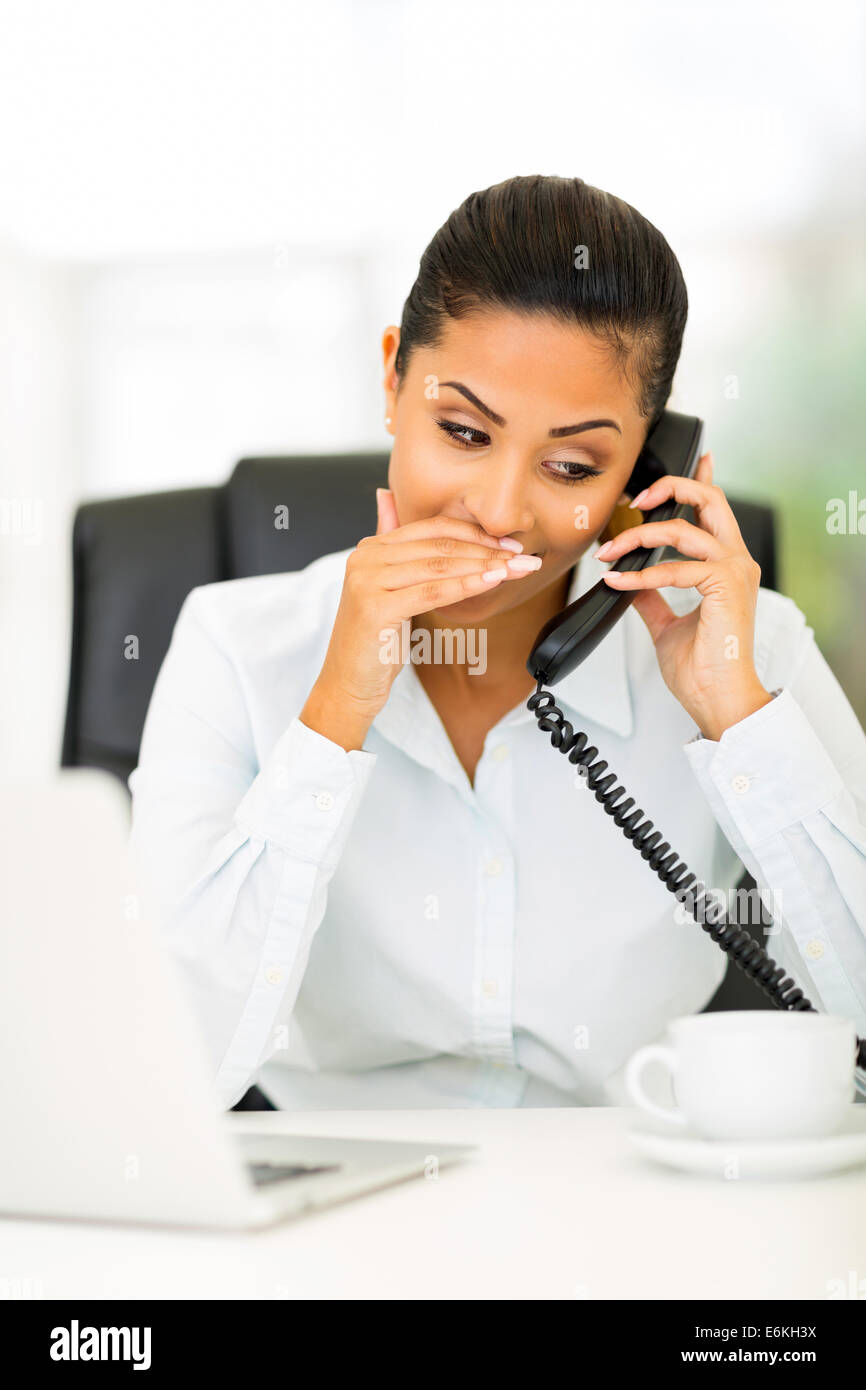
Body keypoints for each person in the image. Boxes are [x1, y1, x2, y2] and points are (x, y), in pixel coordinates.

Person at [128, 174, 866, 1113]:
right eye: (464, 430)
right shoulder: (235, 648)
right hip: (332, 1216)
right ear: (395, 381)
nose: (503, 510)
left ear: (649, 470)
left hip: (628, 1211)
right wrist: (334, 718)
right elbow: (173, 1074)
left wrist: (737, 716)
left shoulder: (750, 651)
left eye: (572, 465)